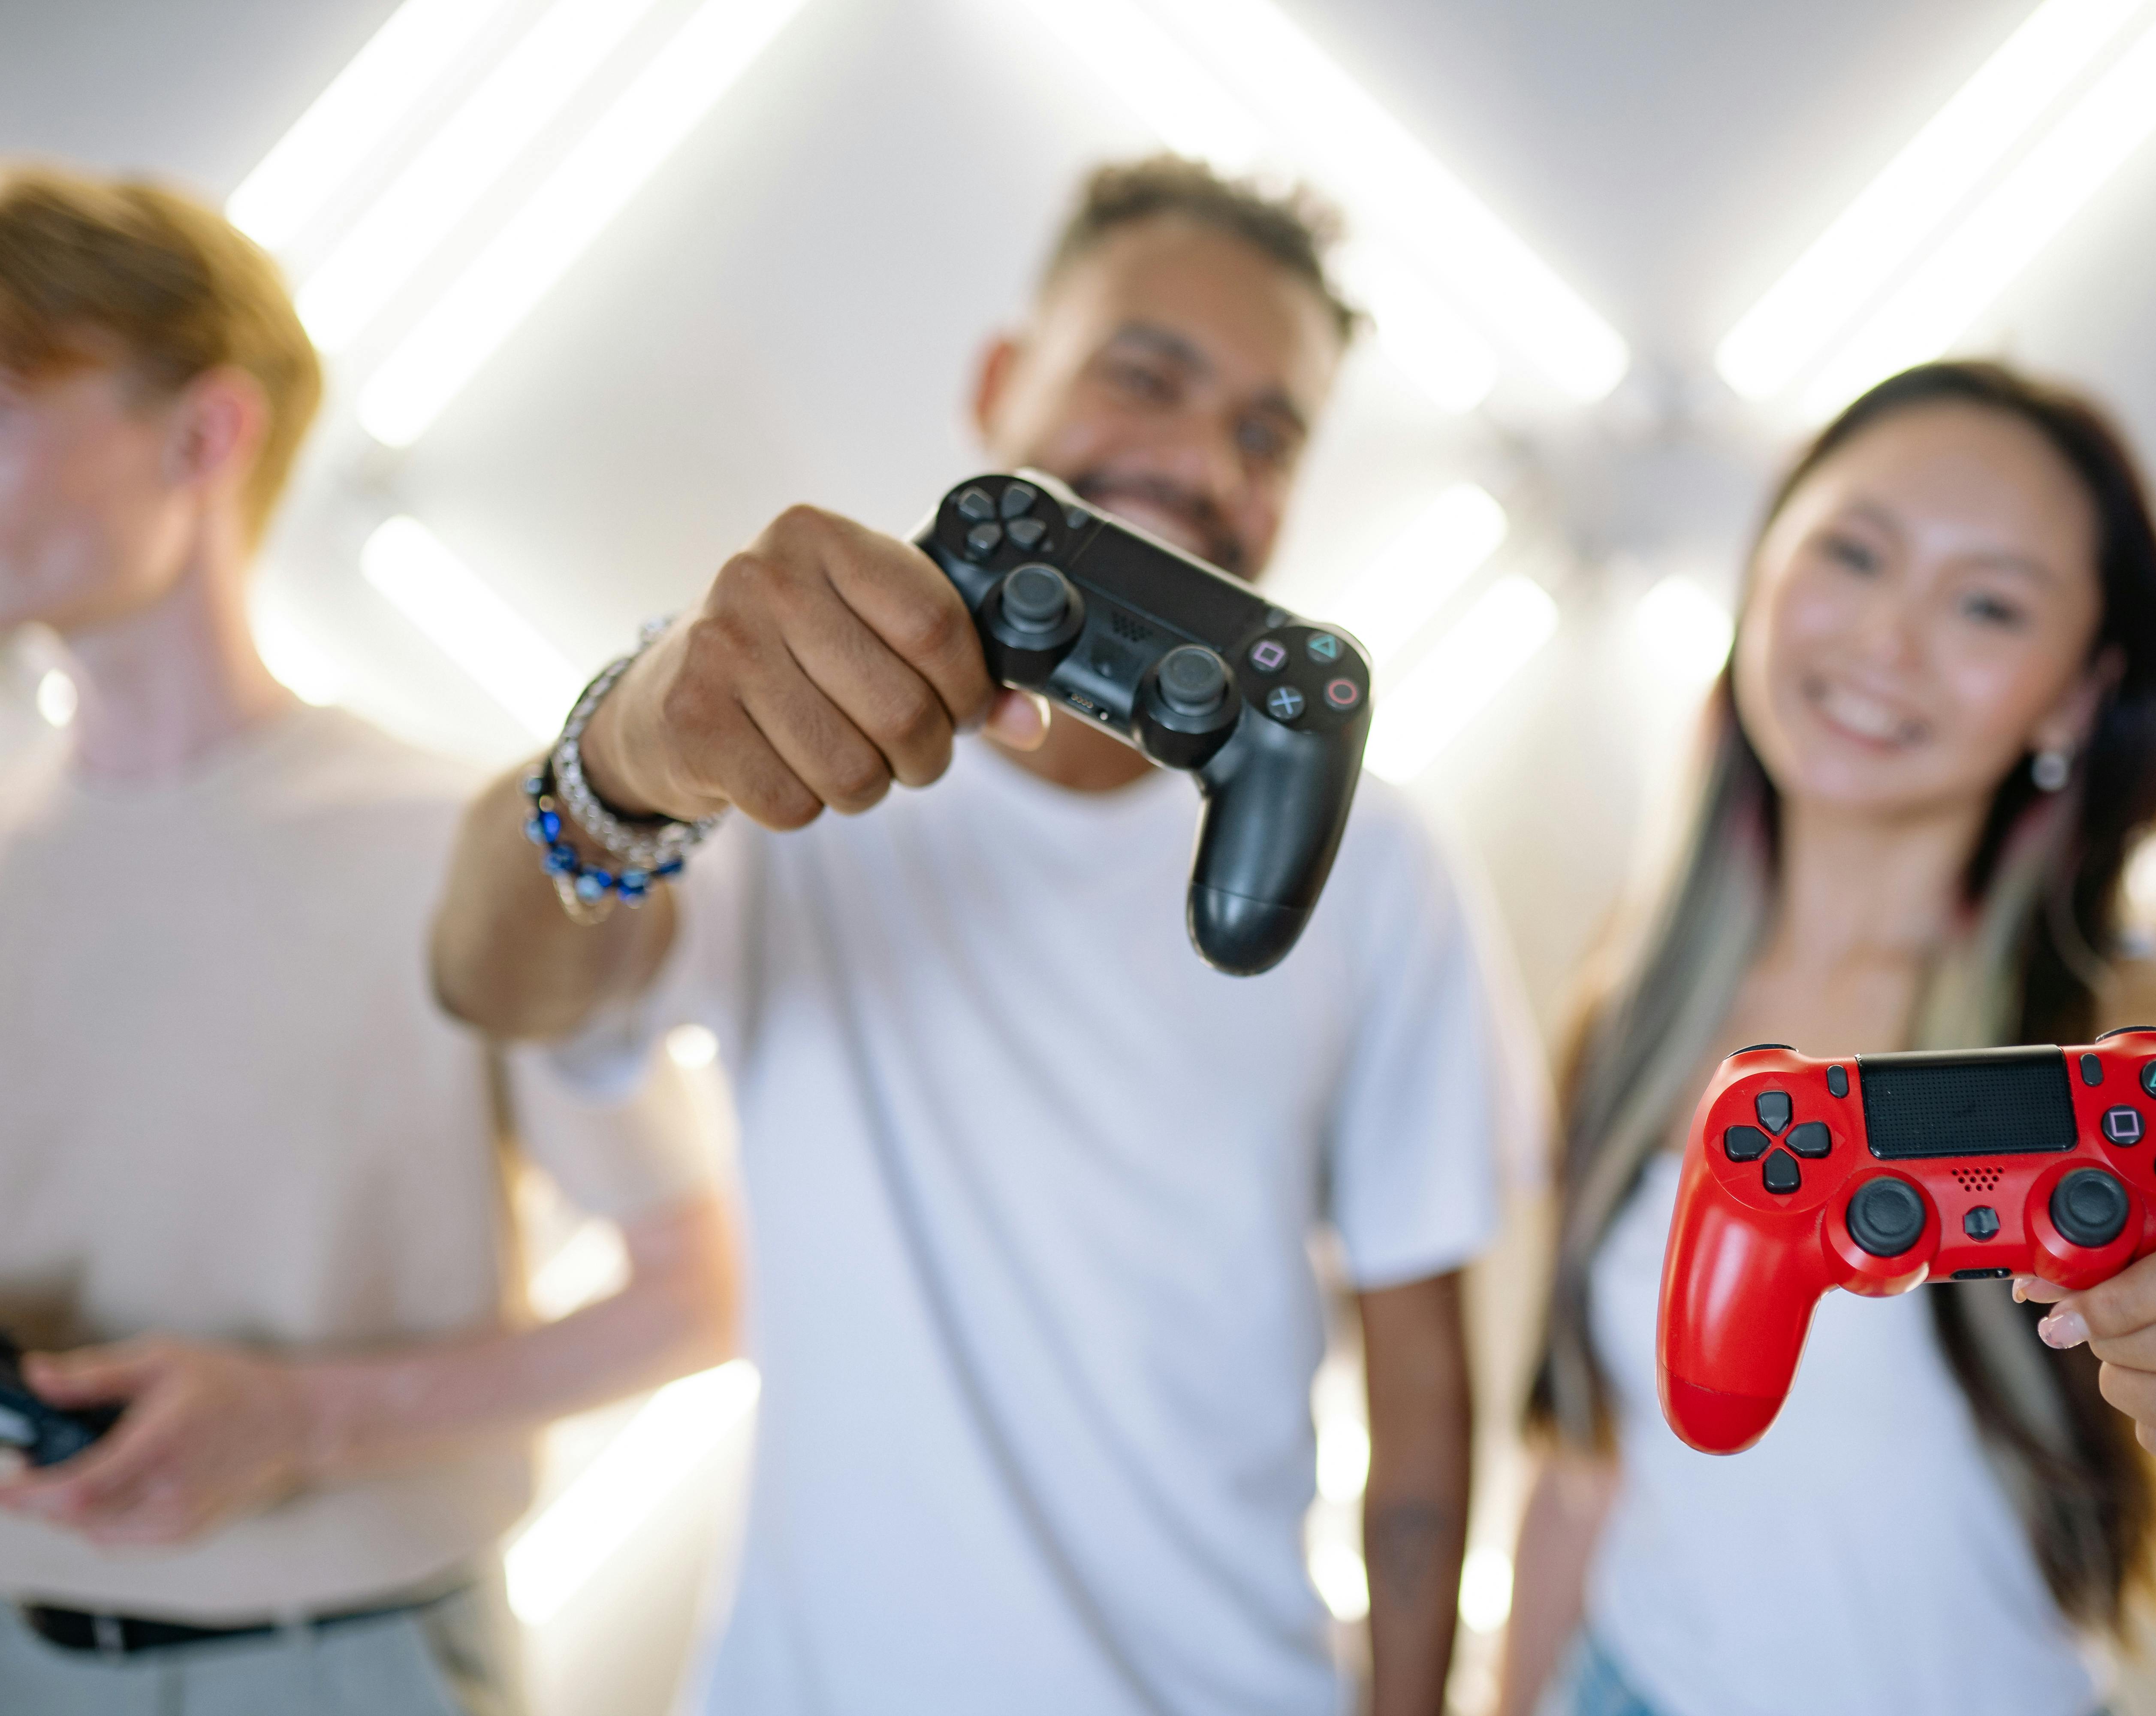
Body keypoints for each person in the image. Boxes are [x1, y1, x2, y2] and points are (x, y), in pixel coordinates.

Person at [429, 155, 1544, 1716]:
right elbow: (495, 981)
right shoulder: (766, 741)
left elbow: (1423, 1387)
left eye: (1264, 431)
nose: (1200, 458)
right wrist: (626, 752)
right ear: (1004, 384)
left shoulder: (1385, 867)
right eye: (1144, 376)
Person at [1496, 362, 2156, 1716]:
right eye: (1854, 554)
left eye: (1988, 603)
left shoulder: (2110, 1030)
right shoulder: (1629, 1003)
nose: (1887, 640)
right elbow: (1584, 1462)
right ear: (1764, 578)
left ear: (2075, 698)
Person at [0, 163, 740, 1713]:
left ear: (204, 436)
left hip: (356, 1669)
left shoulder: (469, 850)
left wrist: (307, 1418)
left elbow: (702, 1290)